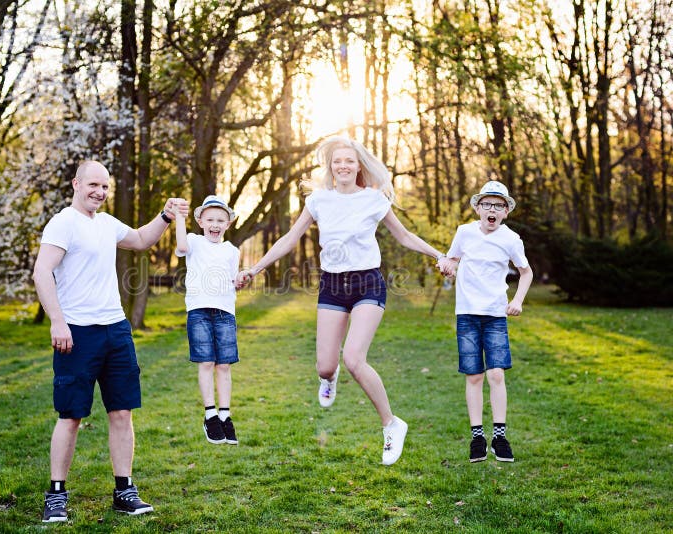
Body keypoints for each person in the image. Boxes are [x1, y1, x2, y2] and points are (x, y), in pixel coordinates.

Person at [236, 136, 450, 466]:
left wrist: (439, 255)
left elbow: (404, 236)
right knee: (325, 365)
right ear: (331, 167)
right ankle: (329, 378)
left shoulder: (374, 200)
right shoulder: (319, 200)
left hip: (367, 283)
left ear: (359, 165)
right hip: (333, 285)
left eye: (349, 161)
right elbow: (289, 239)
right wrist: (254, 268)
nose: (344, 166)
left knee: (353, 358)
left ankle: (391, 424)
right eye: (337, 161)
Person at [33, 160, 187, 522]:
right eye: (93, 185)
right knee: (70, 415)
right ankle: (56, 496)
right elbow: (42, 271)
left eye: (105, 186)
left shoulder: (106, 223)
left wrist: (165, 216)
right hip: (77, 332)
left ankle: (124, 491)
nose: (99, 192)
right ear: (76, 183)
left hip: (115, 330)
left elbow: (140, 240)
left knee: (121, 411)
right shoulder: (63, 223)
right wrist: (58, 321)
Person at [437, 180, 533, 463]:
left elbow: (526, 273)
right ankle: (477, 437)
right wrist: (447, 266)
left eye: (499, 205)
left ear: (505, 212)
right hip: (466, 313)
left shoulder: (511, 239)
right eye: (487, 204)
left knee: (496, 374)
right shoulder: (464, 232)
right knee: (475, 375)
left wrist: (516, 301)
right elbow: (453, 260)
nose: (492, 210)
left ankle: (499, 437)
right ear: (478, 208)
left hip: (494, 315)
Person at [175, 195, 241, 445]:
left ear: (228, 224)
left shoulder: (232, 251)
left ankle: (225, 415)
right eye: (210, 219)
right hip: (199, 311)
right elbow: (181, 247)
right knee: (206, 362)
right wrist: (180, 217)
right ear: (201, 221)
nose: (215, 224)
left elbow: (233, 281)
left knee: (224, 365)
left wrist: (243, 280)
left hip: (225, 312)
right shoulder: (193, 241)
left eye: (221, 220)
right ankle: (210, 413)